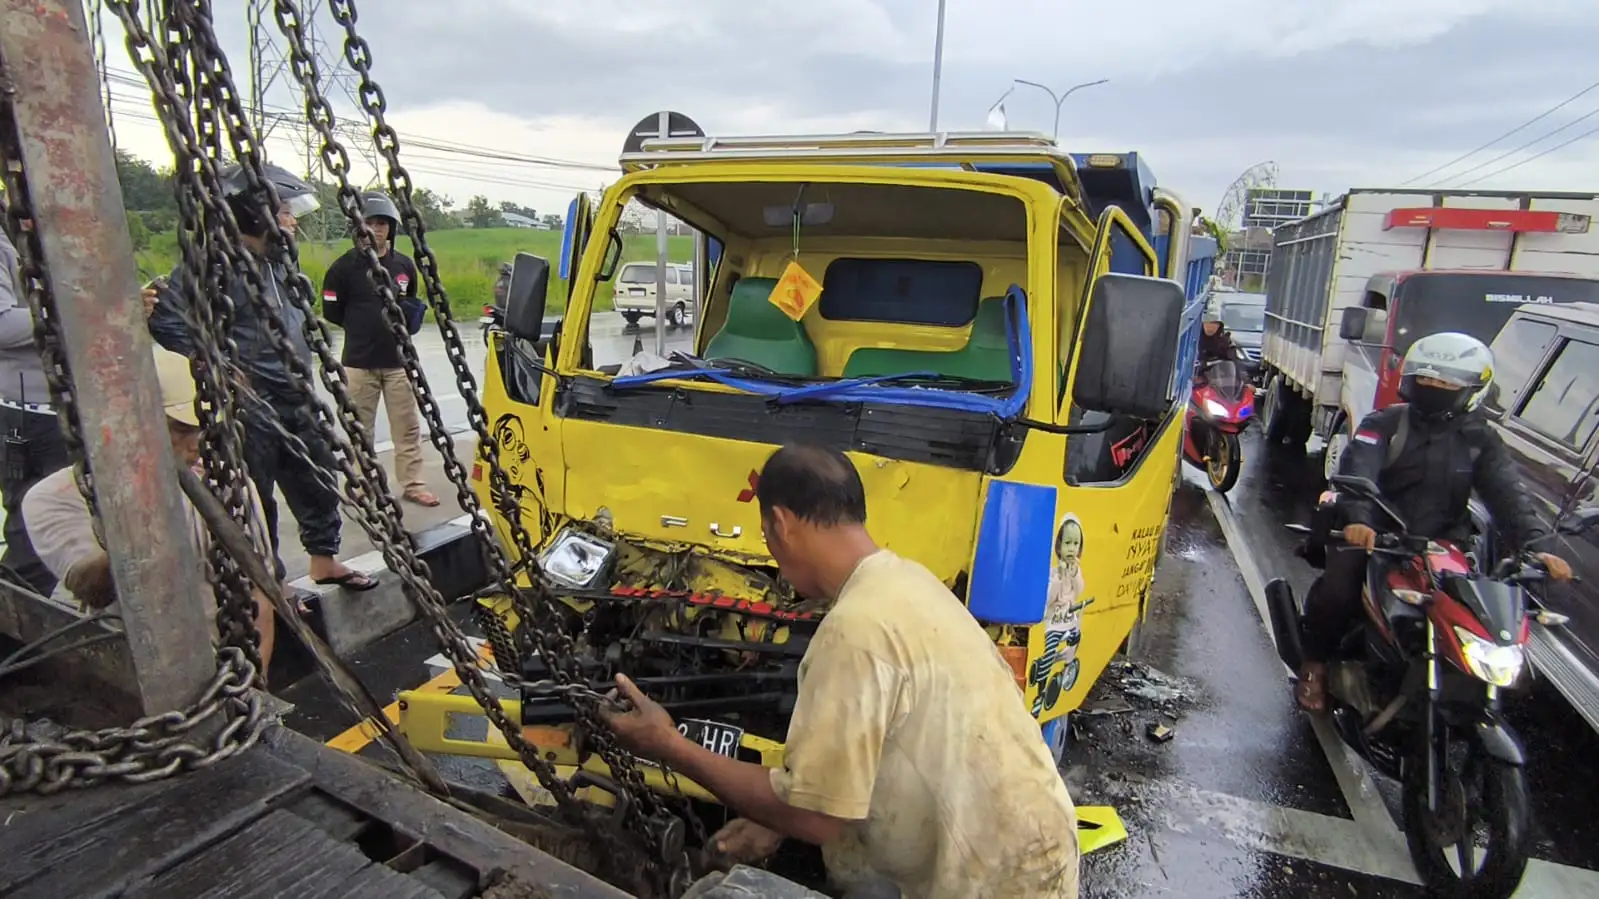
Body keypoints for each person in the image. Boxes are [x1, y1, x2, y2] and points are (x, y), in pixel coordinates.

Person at [601, 445, 1080, 899]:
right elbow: (876, 748)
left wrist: (668, 745)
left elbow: (815, 819)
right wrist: (776, 816)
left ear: (781, 523)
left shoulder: (853, 630)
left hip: (996, 878)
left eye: (767, 535)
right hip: (1034, 840)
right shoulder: (907, 582)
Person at [1295, 332, 1573, 711]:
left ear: (1471, 389)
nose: (1435, 387)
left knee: (1473, 612)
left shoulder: (1481, 439)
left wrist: (1538, 547)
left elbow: (1510, 498)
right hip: (1377, 536)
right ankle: (1315, 665)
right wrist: (1359, 520)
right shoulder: (1384, 424)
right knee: (1337, 591)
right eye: (1427, 379)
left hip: (1444, 546)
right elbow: (1358, 471)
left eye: (1447, 383)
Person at [148, 162, 377, 591]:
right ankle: (271, 583)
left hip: (296, 393)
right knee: (256, 494)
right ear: (254, 213)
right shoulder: (211, 265)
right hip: (249, 403)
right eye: (285, 212)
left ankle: (324, 560)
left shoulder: (280, 261)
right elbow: (167, 318)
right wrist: (217, 366)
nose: (292, 222)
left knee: (318, 477)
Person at [22, 344, 276, 675]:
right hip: (116, 672)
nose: (196, 443)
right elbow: (93, 590)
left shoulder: (227, 485)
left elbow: (257, 597)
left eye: (201, 427)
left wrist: (257, 684)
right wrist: (144, 511)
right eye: (181, 429)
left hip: (212, 667)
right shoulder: (54, 498)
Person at [320, 191, 436, 507]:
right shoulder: (343, 268)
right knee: (361, 429)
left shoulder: (403, 265)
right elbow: (332, 311)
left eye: (381, 224)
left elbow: (409, 299)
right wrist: (362, 326)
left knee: (407, 428)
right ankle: (363, 485)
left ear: (391, 228)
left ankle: (413, 484)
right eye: (369, 223)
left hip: (398, 362)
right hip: (359, 362)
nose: (375, 229)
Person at [0, 222, 72, 596]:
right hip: (31, 414)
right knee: (36, 531)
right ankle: (15, 618)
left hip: (58, 406)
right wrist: (68, 312)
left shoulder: (41, 241)